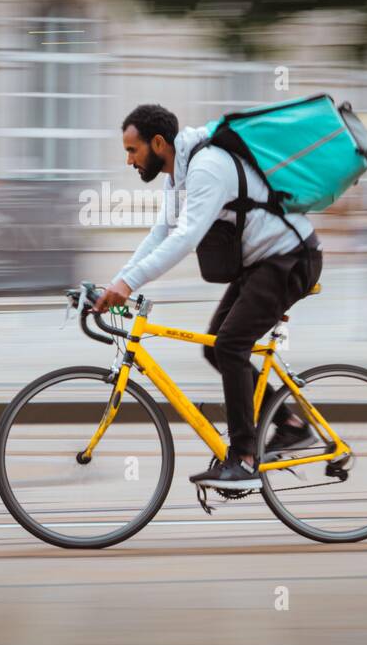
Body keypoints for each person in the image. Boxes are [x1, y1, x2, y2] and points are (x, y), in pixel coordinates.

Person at [93, 104, 324, 491]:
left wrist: (128, 285)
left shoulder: (207, 168)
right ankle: (290, 425)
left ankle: (244, 460)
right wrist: (116, 283)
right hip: (264, 262)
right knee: (216, 347)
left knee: (231, 344)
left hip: (290, 259)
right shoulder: (179, 174)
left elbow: (186, 238)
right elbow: (162, 234)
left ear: (158, 142)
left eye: (133, 150)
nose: (129, 160)